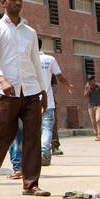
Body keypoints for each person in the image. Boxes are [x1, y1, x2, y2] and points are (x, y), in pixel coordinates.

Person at [0, 0, 49, 197]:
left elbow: (35, 62)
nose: (17, 3)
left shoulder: (30, 32)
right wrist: (1, 79)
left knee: (32, 137)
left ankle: (30, 184)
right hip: (6, 92)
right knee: (5, 135)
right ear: (3, 2)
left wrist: (43, 90)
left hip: (30, 91)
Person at [37, 38, 65, 167]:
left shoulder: (26, 60)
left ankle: (37, 155)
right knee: (47, 128)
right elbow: (58, 78)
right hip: (47, 101)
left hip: (30, 101)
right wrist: (69, 85)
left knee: (34, 129)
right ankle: (44, 153)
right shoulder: (49, 60)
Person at [85, 76, 100, 140]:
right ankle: (96, 135)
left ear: (94, 80)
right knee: (93, 122)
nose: (90, 82)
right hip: (91, 107)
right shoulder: (87, 87)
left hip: (99, 105)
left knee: (98, 119)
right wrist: (88, 88)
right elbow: (85, 96)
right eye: (89, 81)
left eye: (91, 81)